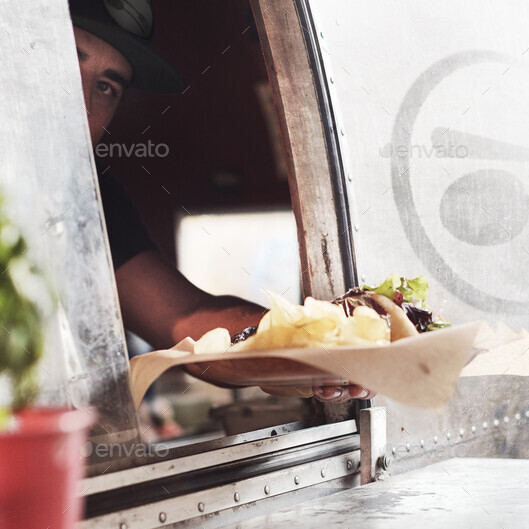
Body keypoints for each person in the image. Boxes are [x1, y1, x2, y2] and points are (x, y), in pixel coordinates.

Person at [70, 0, 370, 402]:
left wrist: (306, 347)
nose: (84, 108)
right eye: (66, 64)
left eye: (106, 86)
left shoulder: (93, 199)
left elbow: (185, 319)